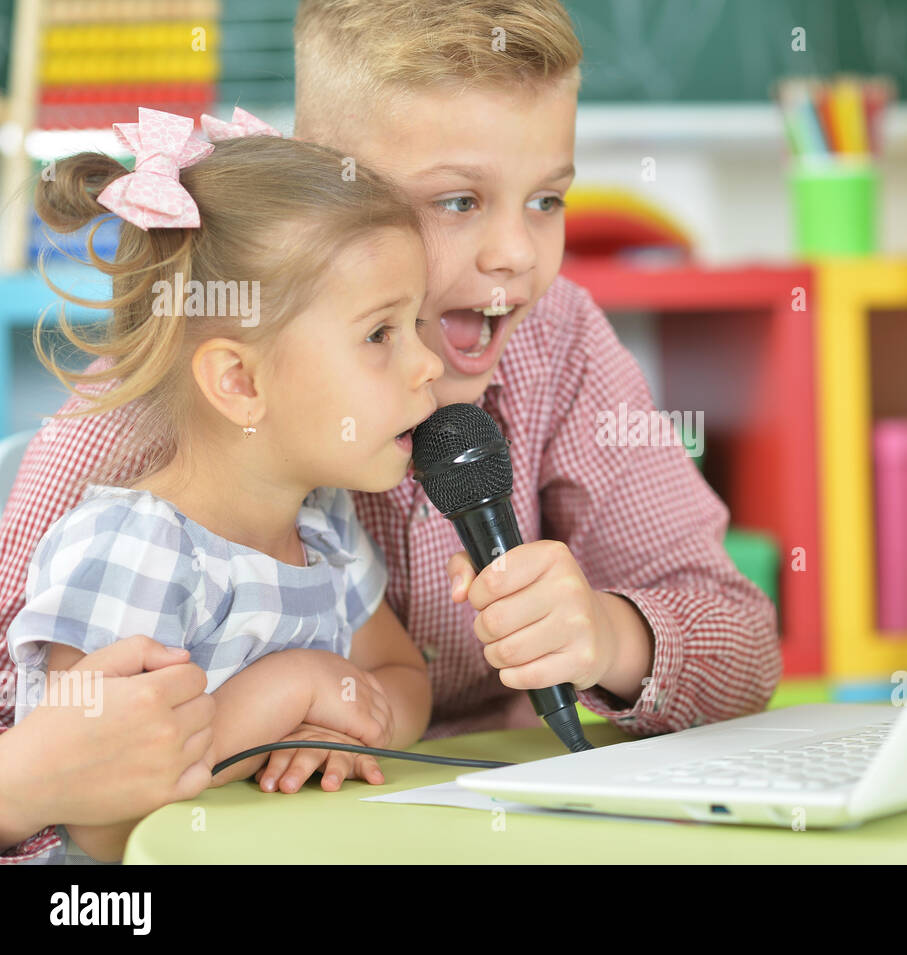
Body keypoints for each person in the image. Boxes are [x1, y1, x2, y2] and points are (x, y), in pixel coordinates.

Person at [0, 0, 780, 865]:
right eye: (456, 200)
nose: (516, 255)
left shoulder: (559, 340)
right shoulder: (134, 417)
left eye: (547, 199)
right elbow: (41, 778)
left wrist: (608, 634)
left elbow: (743, 643)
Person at [2, 112, 438, 862]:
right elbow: (102, 822)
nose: (429, 364)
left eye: (417, 324)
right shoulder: (132, 549)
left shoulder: (323, 527)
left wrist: (342, 725)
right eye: (380, 334)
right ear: (239, 381)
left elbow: (402, 679)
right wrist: (288, 691)